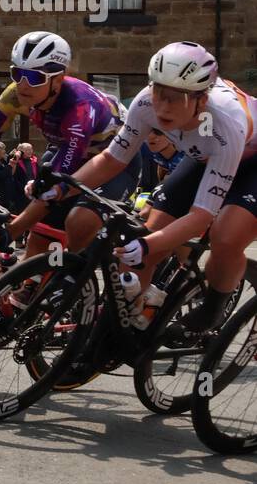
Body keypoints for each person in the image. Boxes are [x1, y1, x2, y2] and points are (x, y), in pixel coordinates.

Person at [71, 41, 257, 338]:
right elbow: (111, 158)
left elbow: (200, 215)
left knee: (225, 236)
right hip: (205, 157)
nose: (162, 106)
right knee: (148, 233)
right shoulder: (144, 102)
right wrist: (63, 185)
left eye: (175, 98)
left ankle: (214, 305)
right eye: (159, 93)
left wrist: (149, 245)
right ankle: (117, 330)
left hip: (252, 163)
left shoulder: (226, 120)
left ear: (201, 99)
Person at [0, 31, 138, 262]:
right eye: (17, 74)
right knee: (39, 238)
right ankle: (33, 288)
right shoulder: (15, 95)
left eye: (34, 78)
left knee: (79, 221)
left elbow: (59, 183)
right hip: (70, 152)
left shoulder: (79, 107)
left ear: (58, 80)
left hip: (117, 163)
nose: (23, 84)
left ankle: (77, 281)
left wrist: (12, 231)